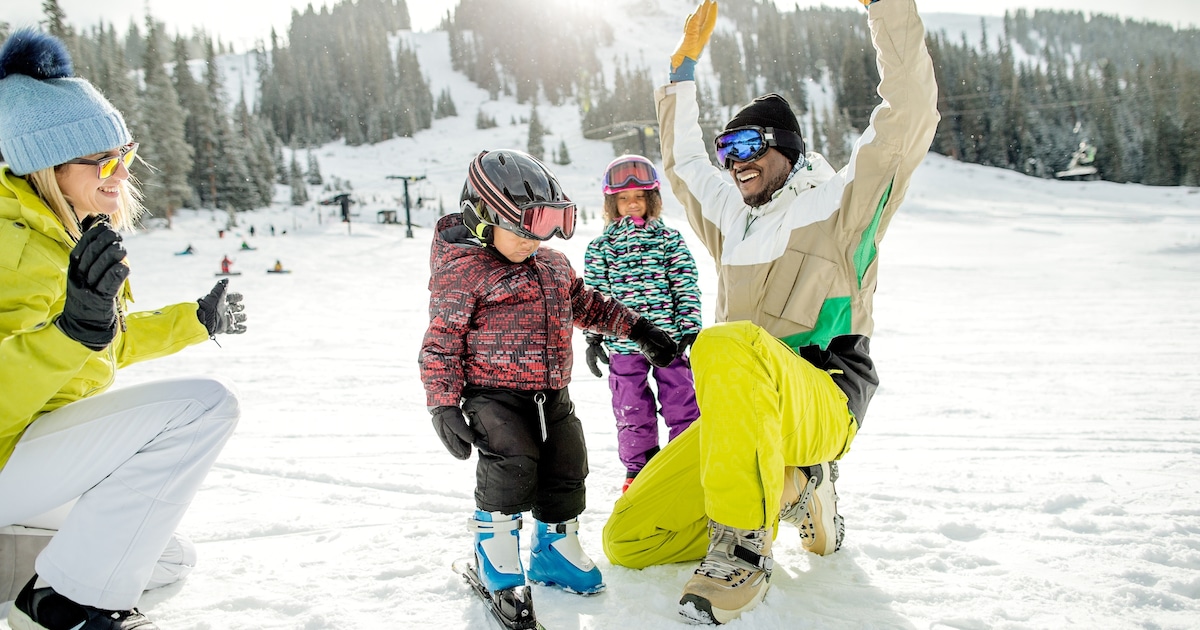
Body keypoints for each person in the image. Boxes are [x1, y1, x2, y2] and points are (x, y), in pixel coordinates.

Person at [600, 0, 940, 624]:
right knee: (628, 537)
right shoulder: (734, 219)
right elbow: (679, 166)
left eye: (746, 143)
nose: (733, 160)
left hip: (823, 399)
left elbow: (910, 112)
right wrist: (680, 73)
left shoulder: (843, 205)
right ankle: (796, 485)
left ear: (785, 145)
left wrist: (884, 8)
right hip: (744, 416)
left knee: (724, 342)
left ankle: (741, 550)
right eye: (727, 148)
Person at [0, 29, 249, 630]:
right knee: (202, 407)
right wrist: (70, 332)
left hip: (25, 457)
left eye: (126, 156)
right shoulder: (11, 245)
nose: (120, 175)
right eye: (102, 161)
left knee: (162, 558)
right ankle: (68, 608)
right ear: (45, 167)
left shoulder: (66, 237)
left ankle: (38, 591)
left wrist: (194, 320)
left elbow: (100, 343)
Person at [419, 149, 677, 628]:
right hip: (493, 396)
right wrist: (442, 404)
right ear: (481, 219)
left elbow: (589, 305)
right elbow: (440, 343)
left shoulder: (552, 265)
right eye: (524, 228)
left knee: (567, 464)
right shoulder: (465, 272)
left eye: (548, 226)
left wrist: (639, 329)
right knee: (511, 463)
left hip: (552, 394)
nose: (535, 240)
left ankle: (555, 550)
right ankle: (495, 557)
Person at [582, 155, 703, 494]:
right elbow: (594, 297)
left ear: (652, 200)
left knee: (682, 401)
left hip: (669, 342)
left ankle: (685, 460)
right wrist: (594, 338)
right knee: (631, 409)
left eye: (638, 197)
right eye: (623, 198)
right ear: (612, 203)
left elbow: (685, 284)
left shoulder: (669, 240)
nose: (632, 204)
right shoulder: (600, 247)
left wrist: (689, 326)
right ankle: (640, 469)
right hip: (624, 345)